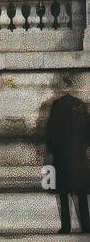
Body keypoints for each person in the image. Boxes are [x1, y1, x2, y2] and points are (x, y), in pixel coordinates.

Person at [45, 92, 90, 234]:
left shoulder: (57, 107)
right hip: (79, 157)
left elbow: (50, 133)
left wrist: (52, 150)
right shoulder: (80, 107)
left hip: (61, 156)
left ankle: (66, 226)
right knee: (81, 194)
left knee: (63, 194)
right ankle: (86, 225)